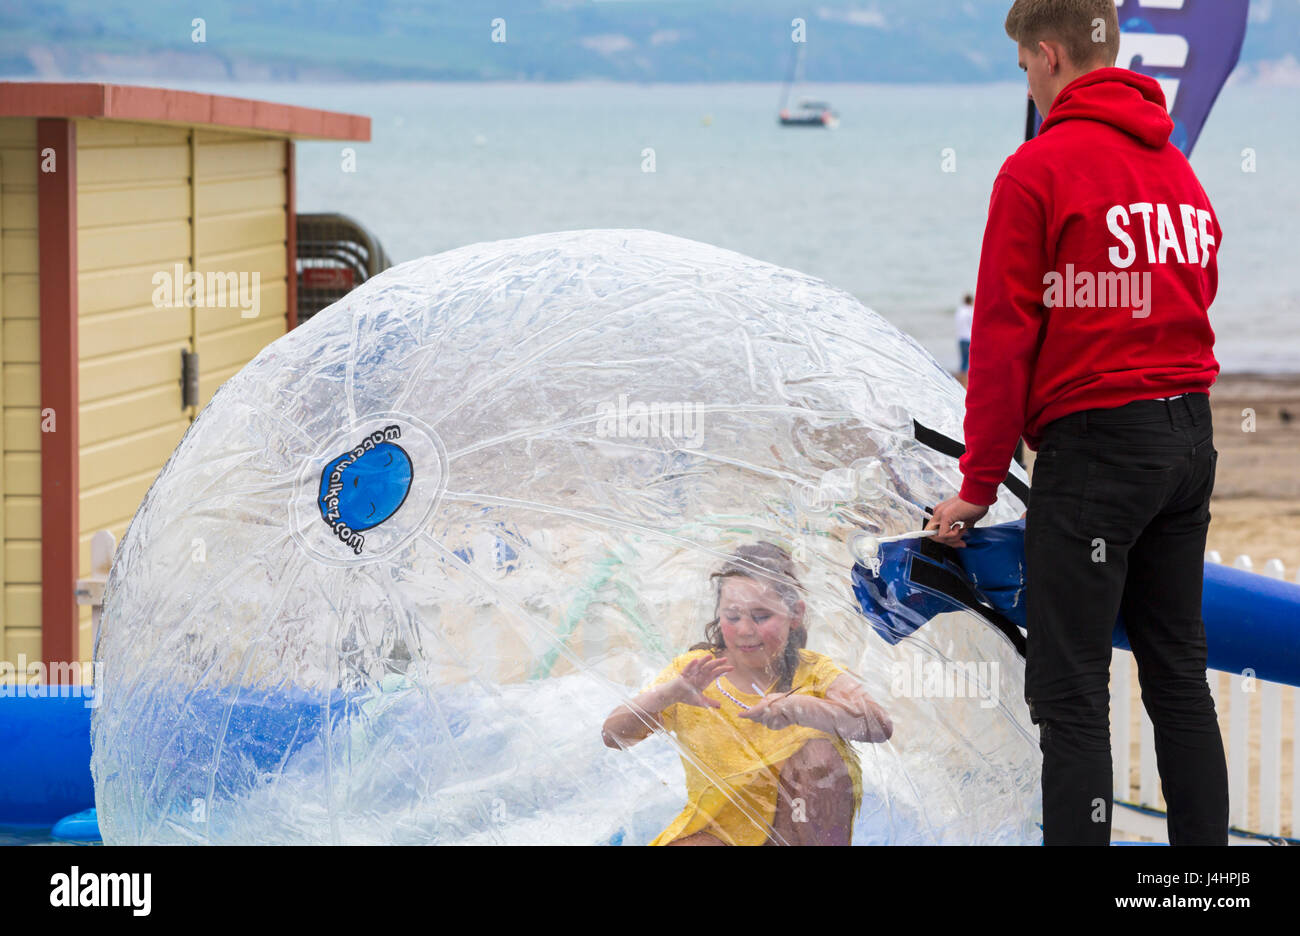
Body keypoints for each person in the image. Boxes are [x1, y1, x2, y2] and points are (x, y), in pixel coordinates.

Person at [925, 0, 1228, 845]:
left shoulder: (1037, 168)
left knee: (1070, 692)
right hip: (1189, 436)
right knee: (1179, 678)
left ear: (1049, 55)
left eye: (1024, 66)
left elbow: (1003, 337)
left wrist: (977, 486)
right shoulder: (1175, 168)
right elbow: (1196, 288)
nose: (1027, 82)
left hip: (1098, 448)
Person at [600, 542, 892, 845]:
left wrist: (800, 708)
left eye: (761, 616)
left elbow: (878, 725)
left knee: (817, 755)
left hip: (795, 834)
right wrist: (668, 694)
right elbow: (613, 736)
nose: (745, 630)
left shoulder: (814, 672)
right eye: (733, 616)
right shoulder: (695, 674)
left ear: (795, 615)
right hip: (718, 833)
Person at [956, 293, 975, 379]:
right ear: (970, 301)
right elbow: (973, 324)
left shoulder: (960, 310)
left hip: (960, 337)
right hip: (968, 337)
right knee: (968, 360)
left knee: (963, 360)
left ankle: (961, 378)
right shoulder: (970, 311)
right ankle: (965, 380)